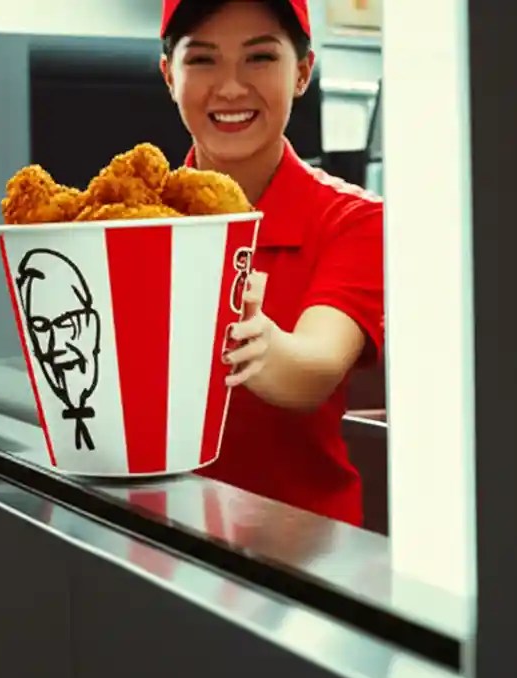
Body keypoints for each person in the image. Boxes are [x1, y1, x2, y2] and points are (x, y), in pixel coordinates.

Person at [159, 0, 384, 525]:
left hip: (303, 548)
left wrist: (255, 341)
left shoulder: (353, 220)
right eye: (203, 60)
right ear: (169, 75)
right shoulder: (137, 218)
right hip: (157, 532)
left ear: (302, 72)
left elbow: (315, 367)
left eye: (259, 58)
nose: (230, 88)